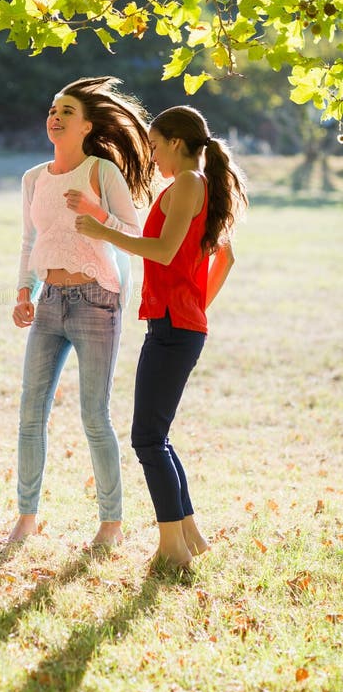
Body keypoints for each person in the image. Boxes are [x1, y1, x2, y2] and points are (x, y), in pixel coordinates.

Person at [76, 105, 248, 570]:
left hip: (174, 327)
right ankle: (190, 536)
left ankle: (172, 547)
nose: (153, 156)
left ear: (176, 142)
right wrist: (195, 307)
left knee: (147, 440)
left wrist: (102, 231)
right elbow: (225, 258)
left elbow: (165, 251)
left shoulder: (189, 182)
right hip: (178, 324)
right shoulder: (199, 185)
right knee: (158, 437)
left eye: (154, 146)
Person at [9, 77, 154, 546]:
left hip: (96, 300)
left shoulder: (101, 171)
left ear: (87, 126)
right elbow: (30, 241)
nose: (56, 116)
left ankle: (111, 523)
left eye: (67, 111)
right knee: (31, 413)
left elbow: (134, 234)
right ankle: (26, 518)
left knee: (95, 415)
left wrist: (96, 211)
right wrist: (24, 292)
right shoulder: (33, 178)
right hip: (49, 301)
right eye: (53, 110)